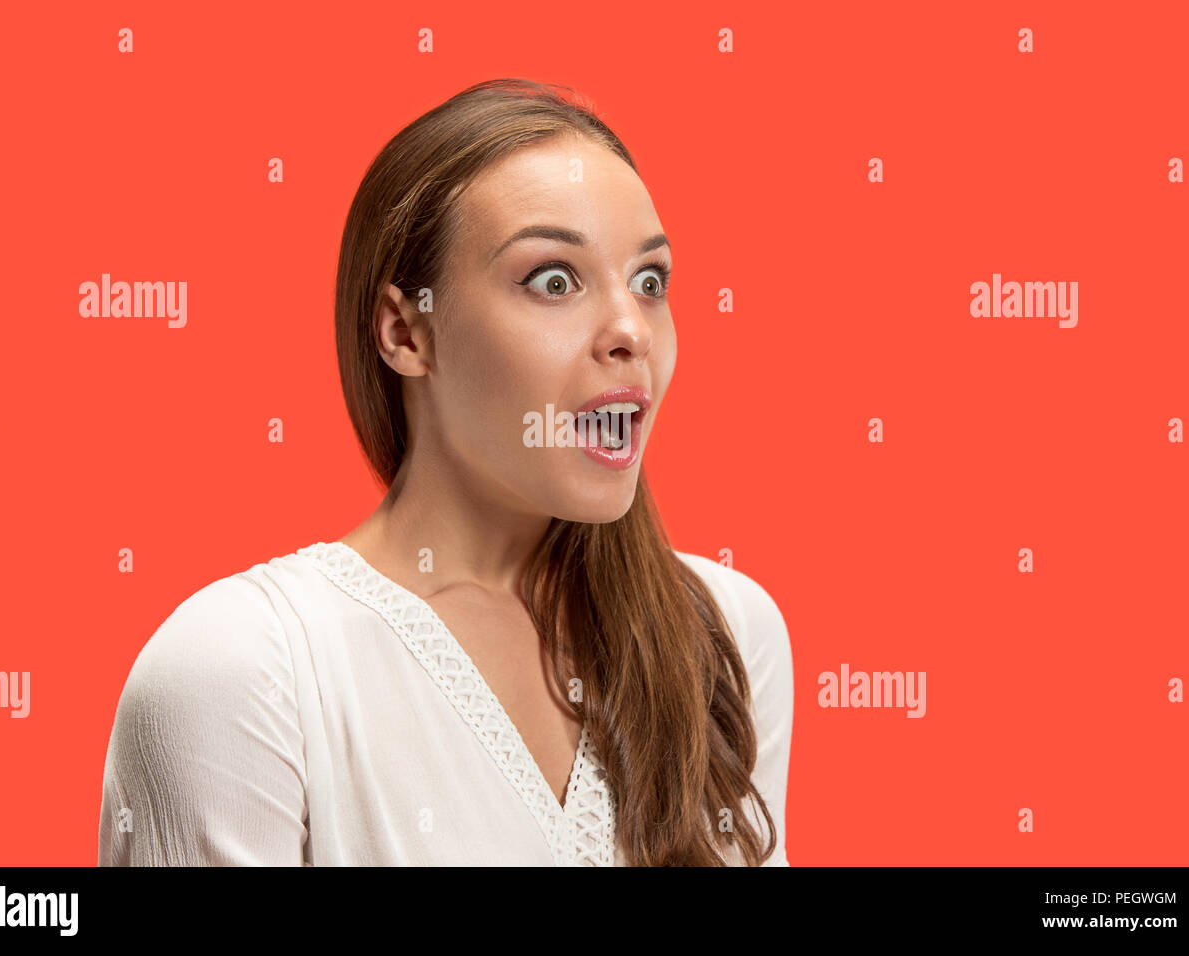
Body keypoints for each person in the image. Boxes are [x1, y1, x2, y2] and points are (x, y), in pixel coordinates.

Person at [97, 78, 793, 866]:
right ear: (406, 332)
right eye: (554, 281)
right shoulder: (244, 668)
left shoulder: (723, 631)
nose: (631, 329)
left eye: (650, 282)